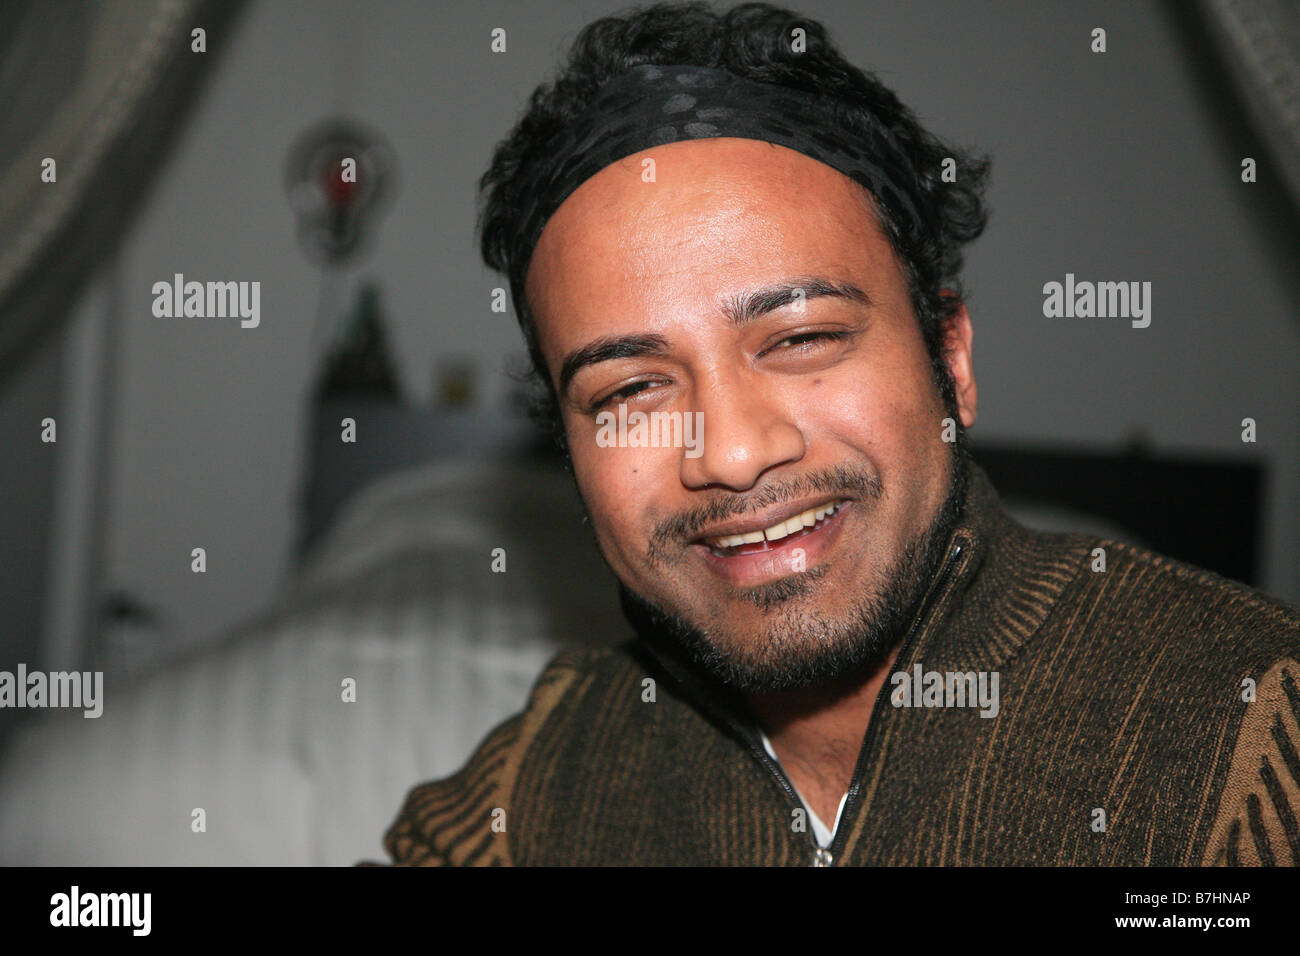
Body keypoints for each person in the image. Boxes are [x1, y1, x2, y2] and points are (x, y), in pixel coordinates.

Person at [374, 1, 1300, 866]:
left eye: (802, 339)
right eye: (633, 388)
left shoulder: (1250, 732)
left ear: (951, 359)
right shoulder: (547, 774)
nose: (732, 453)